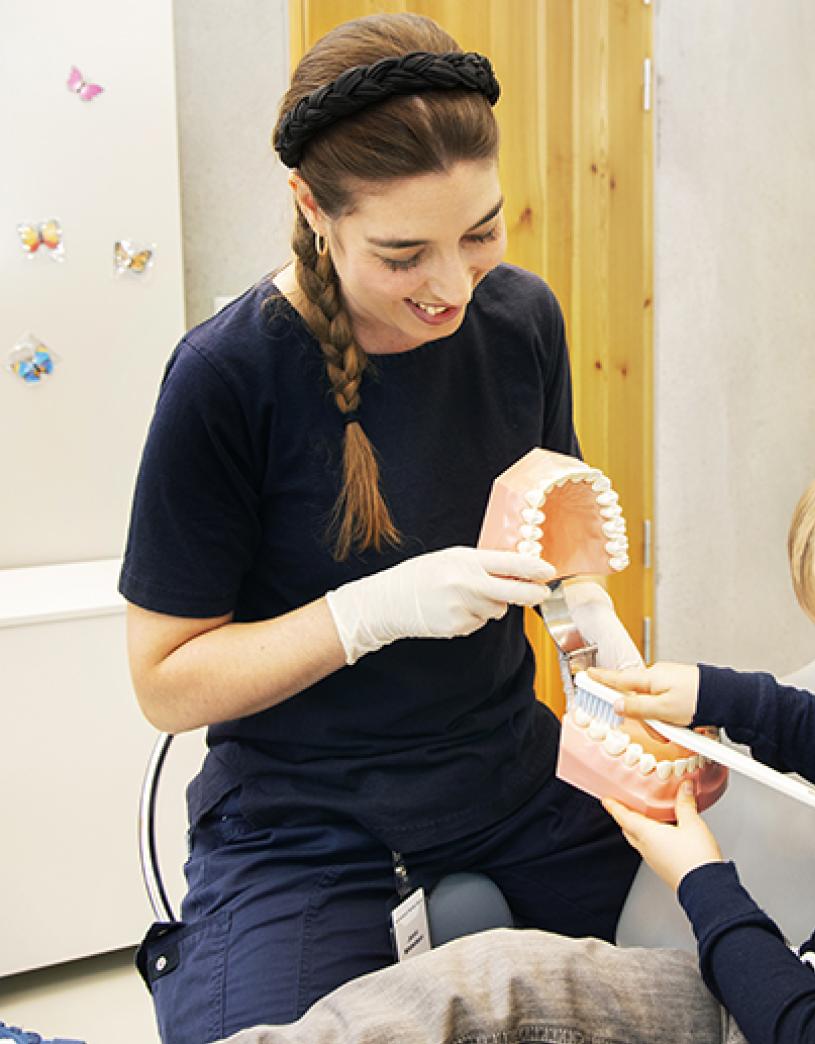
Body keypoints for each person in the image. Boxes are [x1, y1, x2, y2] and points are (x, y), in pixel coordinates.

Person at [213, 375, 815, 1044]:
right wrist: (714, 696)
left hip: (804, 1019)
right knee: (492, 981)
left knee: (490, 994)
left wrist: (701, 882)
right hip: (810, 995)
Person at [119, 13, 643, 1043]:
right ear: (314, 208)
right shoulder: (228, 378)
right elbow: (165, 681)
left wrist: (607, 663)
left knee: (726, 971)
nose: (451, 287)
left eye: (482, 232)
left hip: (514, 779)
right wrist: (371, 613)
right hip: (305, 826)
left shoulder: (522, 319)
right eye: (404, 254)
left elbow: (556, 537)